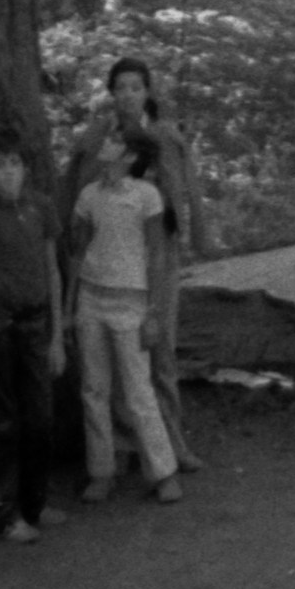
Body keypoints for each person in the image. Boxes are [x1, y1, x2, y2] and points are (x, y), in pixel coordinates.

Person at [66, 50, 208, 470]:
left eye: (136, 87)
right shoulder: (98, 139)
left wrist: (193, 231)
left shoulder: (164, 135)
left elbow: (185, 191)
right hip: (110, 266)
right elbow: (79, 191)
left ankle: (174, 444)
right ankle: (130, 447)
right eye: (120, 87)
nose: (128, 95)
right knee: (111, 360)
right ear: (111, 94)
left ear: (147, 93)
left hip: (157, 257)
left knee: (159, 347)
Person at [66, 116, 182, 501]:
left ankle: (163, 472)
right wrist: (69, 306)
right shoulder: (89, 196)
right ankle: (102, 471)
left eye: (116, 140)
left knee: (138, 391)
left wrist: (154, 312)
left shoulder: (147, 196)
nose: (107, 144)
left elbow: (156, 256)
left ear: (130, 153)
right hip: (91, 298)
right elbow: (77, 252)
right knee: (94, 389)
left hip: (131, 302)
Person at [0, 133, 66, 543]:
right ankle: (3, 514)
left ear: (26, 168)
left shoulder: (41, 207)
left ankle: (34, 503)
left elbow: (54, 271)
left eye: (15, 164)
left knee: (41, 418)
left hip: (36, 325)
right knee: (0, 422)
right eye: (1, 165)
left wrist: (58, 337)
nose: (9, 172)